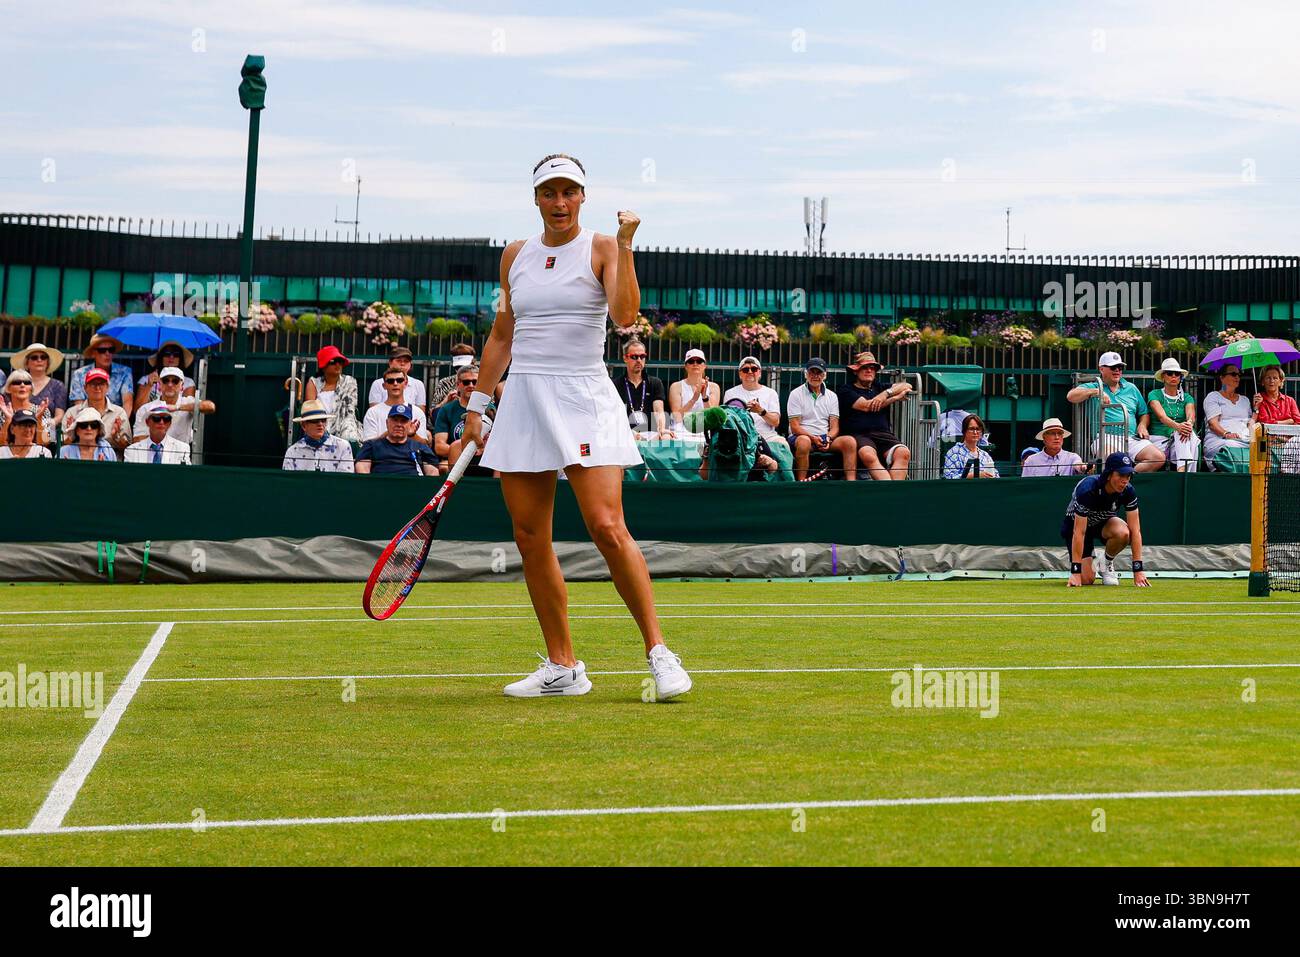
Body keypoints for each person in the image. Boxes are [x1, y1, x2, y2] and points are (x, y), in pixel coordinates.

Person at [459, 152, 691, 700]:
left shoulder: (605, 247)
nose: (559, 202)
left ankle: (659, 654)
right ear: (536, 198)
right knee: (530, 536)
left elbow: (625, 317)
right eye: (549, 192)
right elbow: (500, 336)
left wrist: (628, 243)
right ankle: (563, 667)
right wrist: (475, 406)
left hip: (583, 395)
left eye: (569, 192)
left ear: (582, 196)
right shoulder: (515, 255)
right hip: (524, 399)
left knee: (607, 527)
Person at [1062, 451, 1150, 588]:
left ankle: (1105, 563)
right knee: (1086, 579)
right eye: (1121, 475)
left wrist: (1138, 570)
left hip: (1103, 524)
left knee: (1124, 532)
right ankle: (1090, 563)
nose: (1125, 480)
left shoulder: (1128, 491)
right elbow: (1079, 533)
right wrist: (1075, 572)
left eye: (1128, 476)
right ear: (1109, 474)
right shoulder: (1088, 489)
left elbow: (1136, 531)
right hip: (1076, 528)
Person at [1066, 351, 1165, 472]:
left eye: (1120, 367)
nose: (1117, 370)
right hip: (1104, 438)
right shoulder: (1093, 386)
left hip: (1131, 438)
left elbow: (1143, 413)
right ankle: (1122, 480)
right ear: (1101, 369)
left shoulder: (1131, 388)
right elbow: (1071, 396)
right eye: (1113, 367)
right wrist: (1097, 392)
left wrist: (1142, 425)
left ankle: (1128, 479)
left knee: (1158, 458)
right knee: (1114, 459)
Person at [835, 350, 912, 480]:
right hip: (859, 435)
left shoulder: (879, 387)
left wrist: (885, 394)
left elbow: (907, 385)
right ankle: (888, 492)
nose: (869, 370)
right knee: (868, 454)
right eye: (864, 367)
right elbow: (867, 406)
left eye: (872, 368)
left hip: (883, 434)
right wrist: (894, 398)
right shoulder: (846, 390)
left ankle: (894, 494)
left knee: (903, 452)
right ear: (855, 371)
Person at [786, 357, 856, 480]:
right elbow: (795, 426)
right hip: (802, 437)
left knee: (849, 442)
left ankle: (851, 484)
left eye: (819, 372)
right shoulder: (795, 394)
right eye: (812, 372)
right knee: (804, 442)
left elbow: (834, 427)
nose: (815, 376)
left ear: (825, 375)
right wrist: (813, 438)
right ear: (806, 374)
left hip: (824, 438)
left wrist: (828, 438)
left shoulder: (832, 396)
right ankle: (801, 483)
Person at [1143, 357, 1200, 472]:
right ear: (1163, 376)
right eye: (1170, 373)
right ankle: (1187, 476)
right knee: (1184, 433)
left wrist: (1188, 425)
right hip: (1158, 440)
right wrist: (1179, 427)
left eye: (1177, 374)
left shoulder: (1187, 397)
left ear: (1180, 377)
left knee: (1188, 434)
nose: (1174, 376)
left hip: (1180, 442)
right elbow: (1162, 417)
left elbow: (1191, 416)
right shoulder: (1155, 394)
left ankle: (1182, 471)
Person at [132, 368, 215, 444]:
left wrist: (177, 407)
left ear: (182, 386)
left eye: (175, 381)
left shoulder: (187, 402)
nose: (170, 384)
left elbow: (210, 406)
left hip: (180, 456)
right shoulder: (145, 409)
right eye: (165, 380)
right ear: (160, 384)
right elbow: (137, 440)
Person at [433, 365, 489, 475]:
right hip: (457, 459)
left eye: (475, 382)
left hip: (485, 458)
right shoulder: (446, 410)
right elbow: (439, 447)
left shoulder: (490, 409)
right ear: (458, 384)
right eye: (466, 382)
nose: (471, 385)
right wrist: (467, 452)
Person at [62, 368, 130, 455]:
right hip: (78, 460)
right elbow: (61, 446)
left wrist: (116, 437)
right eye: (93, 384)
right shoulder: (72, 412)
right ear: (85, 388)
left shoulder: (119, 413)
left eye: (101, 384)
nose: (97, 387)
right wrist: (72, 435)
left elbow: (128, 449)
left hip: (112, 462)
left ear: (107, 387)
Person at [355, 405, 439, 476]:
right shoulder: (371, 446)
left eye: (403, 421)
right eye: (395, 420)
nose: (399, 425)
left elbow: (433, 473)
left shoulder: (420, 447)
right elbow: (362, 471)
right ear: (387, 423)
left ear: (410, 425)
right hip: (379, 488)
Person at [303, 345, 362, 444]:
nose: (338, 365)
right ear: (323, 365)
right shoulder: (313, 383)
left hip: (345, 425)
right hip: (320, 424)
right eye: (333, 362)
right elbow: (310, 410)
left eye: (340, 361)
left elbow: (349, 410)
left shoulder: (350, 381)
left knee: (350, 434)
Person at [613, 338, 671, 438]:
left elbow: (658, 410)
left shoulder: (655, 383)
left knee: (666, 437)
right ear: (625, 358)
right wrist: (630, 433)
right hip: (625, 434)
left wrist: (661, 429)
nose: (639, 360)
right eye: (634, 357)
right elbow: (614, 415)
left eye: (642, 356)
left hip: (651, 434)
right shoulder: (616, 384)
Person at [68, 334, 134, 417]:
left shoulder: (124, 372)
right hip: (88, 419)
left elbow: (128, 403)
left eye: (111, 350)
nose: (107, 353)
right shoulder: (79, 374)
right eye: (102, 350)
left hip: (115, 418)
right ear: (93, 353)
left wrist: (120, 422)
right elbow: (79, 405)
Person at [1202, 365, 1254, 469]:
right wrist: (1226, 434)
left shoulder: (1245, 400)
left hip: (1243, 440)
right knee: (1232, 447)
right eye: (1233, 374)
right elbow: (1213, 424)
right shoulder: (1213, 396)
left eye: (1239, 375)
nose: (1237, 377)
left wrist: (1256, 409)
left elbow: (1250, 425)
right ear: (1222, 377)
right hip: (1221, 440)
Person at [281, 399, 354, 472]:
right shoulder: (292, 452)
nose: (320, 424)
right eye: (314, 420)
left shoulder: (343, 447)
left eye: (323, 420)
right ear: (303, 425)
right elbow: (288, 482)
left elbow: (345, 481)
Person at [362, 368, 431, 443]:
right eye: (390, 381)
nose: (395, 383)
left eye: (399, 380)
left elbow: (424, 444)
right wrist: (392, 432)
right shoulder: (373, 412)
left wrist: (412, 435)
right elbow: (367, 445)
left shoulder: (417, 411)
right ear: (384, 385)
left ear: (405, 384)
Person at [722, 356, 781, 441]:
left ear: (759, 373)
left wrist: (760, 410)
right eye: (745, 370)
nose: (750, 372)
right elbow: (728, 420)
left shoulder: (771, 393)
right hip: (740, 436)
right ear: (740, 374)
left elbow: (775, 422)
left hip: (767, 436)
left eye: (754, 369)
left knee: (783, 445)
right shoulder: (730, 393)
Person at [11, 342, 67, 423]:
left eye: (43, 357)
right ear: (26, 363)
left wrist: (45, 425)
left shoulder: (58, 386)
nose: (39, 360)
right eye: (34, 357)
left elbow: (59, 416)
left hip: (47, 430)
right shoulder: (16, 383)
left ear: (47, 362)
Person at [669, 348, 720, 434]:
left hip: (705, 430)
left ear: (704, 366)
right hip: (681, 430)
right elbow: (677, 417)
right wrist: (693, 399)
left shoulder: (714, 387)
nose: (695, 364)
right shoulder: (676, 386)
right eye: (691, 361)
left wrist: (704, 398)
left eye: (699, 361)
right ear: (686, 366)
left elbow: (713, 417)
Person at [133, 340, 196, 409]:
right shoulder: (145, 379)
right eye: (167, 354)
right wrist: (149, 386)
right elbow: (137, 410)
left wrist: (173, 408)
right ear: (160, 357)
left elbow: (191, 409)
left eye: (176, 354)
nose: (171, 357)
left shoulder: (188, 382)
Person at [0, 370, 55, 448]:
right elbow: (1, 445)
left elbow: (45, 444)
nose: (22, 385)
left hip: (35, 458)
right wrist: (8, 420)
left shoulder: (44, 410)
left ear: (31, 388)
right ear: (8, 388)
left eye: (27, 383)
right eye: (17, 382)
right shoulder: (2, 412)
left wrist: (38, 419)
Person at [367, 344, 427, 411]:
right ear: (390, 363)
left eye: (406, 361)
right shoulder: (378, 384)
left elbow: (420, 411)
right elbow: (374, 410)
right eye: (399, 360)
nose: (402, 364)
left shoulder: (418, 384)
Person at [124, 408, 192, 464]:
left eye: (166, 419)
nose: (161, 422)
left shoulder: (182, 448)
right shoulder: (132, 450)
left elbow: (184, 476)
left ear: (170, 423)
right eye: (156, 418)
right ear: (147, 422)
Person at [1021, 418, 1086, 477]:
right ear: (1044, 437)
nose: (1057, 437)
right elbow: (1025, 486)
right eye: (1052, 433)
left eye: (1060, 433)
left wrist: (1082, 467)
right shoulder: (1031, 461)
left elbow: (1078, 464)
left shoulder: (1072, 457)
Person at [942, 413, 999, 479]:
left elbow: (996, 476)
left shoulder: (985, 455)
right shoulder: (954, 453)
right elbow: (948, 478)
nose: (975, 432)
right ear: (964, 431)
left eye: (978, 429)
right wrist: (974, 475)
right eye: (971, 429)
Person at [430, 343, 478, 408]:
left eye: (465, 367)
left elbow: (491, 410)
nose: (461, 371)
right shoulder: (445, 383)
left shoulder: (483, 383)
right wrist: (446, 401)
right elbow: (432, 412)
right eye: (458, 367)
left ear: (473, 363)